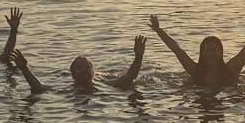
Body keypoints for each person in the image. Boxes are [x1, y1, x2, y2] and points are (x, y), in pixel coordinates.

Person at [148, 11, 245, 88]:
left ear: (220, 53)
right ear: (202, 53)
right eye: (207, 51)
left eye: (214, 50)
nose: (210, 54)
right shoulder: (195, 70)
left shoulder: (232, 68)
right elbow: (177, 49)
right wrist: (159, 30)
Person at [10, 37, 146, 94]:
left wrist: (138, 56)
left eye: (87, 67)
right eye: (79, 68)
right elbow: (38, 86)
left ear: (93, 72)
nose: (83, 70)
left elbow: (130, 76)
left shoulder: (107, 85)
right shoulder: (67, 90)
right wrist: (24, 68)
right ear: (73, 74)